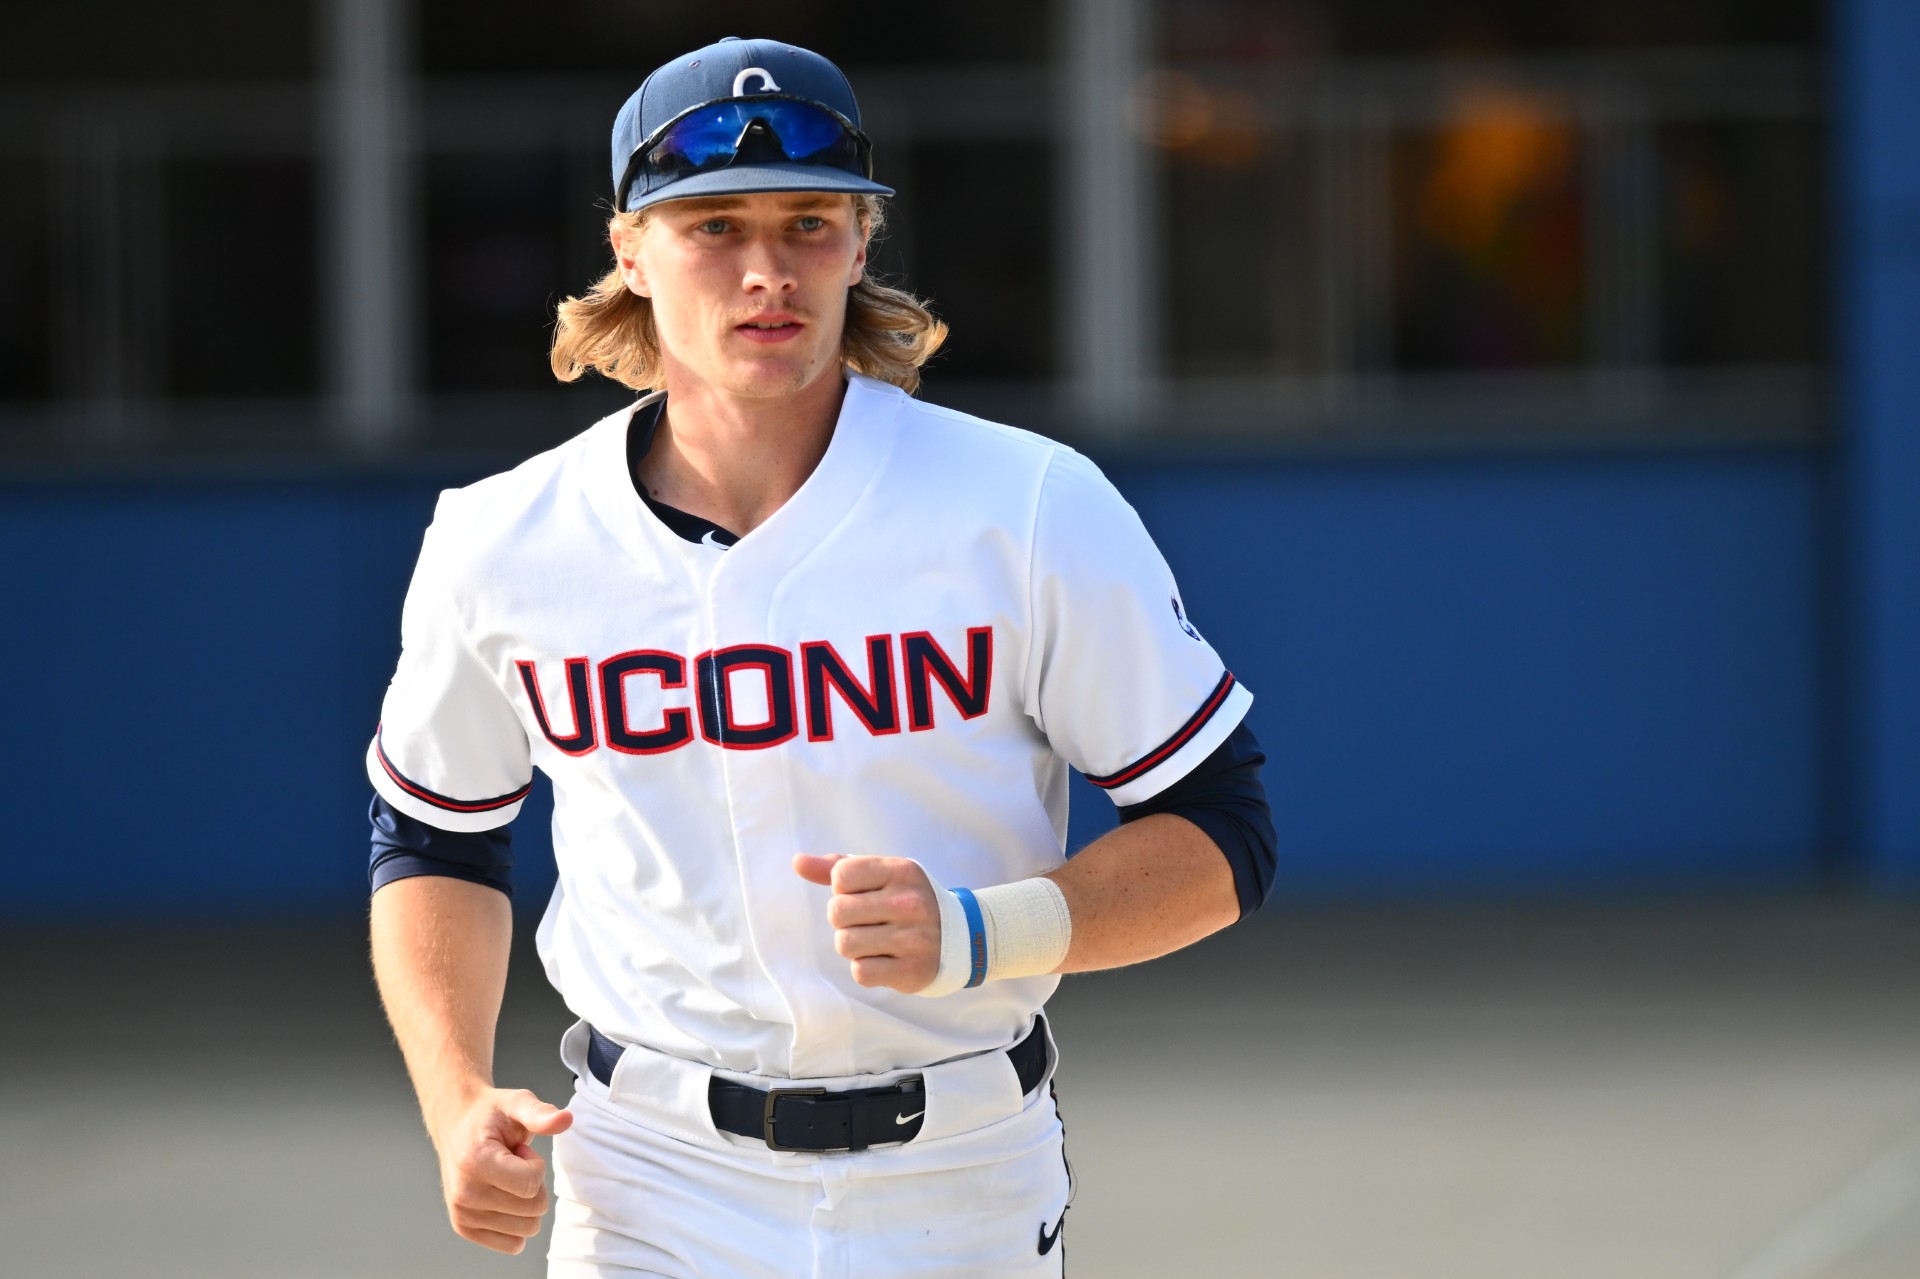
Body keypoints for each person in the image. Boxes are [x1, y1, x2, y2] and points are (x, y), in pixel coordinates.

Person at [366, 35, 1276, 1277]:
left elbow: (1224, 832)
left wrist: (979, 929)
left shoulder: (1025, 505)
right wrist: (455, 1094)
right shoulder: (502, 539)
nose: (765, 270)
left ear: (860, 244)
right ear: (630, 249)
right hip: (646, 1176)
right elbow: (435, 837)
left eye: (807, 223)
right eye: (712, 226)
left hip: (958, 1170)